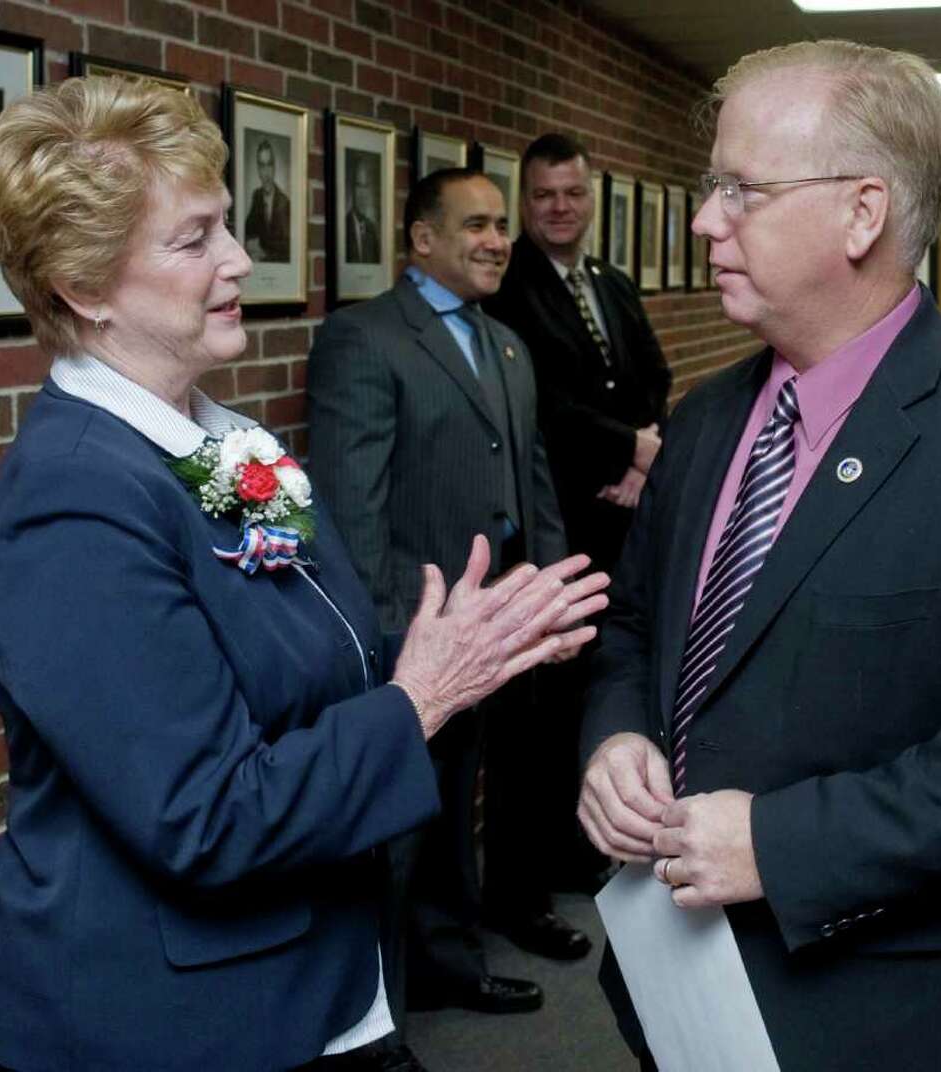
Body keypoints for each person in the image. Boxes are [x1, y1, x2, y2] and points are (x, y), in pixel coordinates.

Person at [0, 77, 607, 1072]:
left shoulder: (223, 444)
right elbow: (206, 815)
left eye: (225, 226)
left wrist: (462, 648)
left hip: (321, 971)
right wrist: (423, 694)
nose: (239, 260)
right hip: (163, 1027)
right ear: (85, 289)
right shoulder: (74, 506)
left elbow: (326, 658)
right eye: (195, 239)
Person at [578, 39, 941, 1072]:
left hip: (882, 1009)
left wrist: (781, 846)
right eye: (710, 188)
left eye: (742, 191)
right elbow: (636, 632)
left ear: (863, 213)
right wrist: (613, 743)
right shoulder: (702, 423)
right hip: (680, 985)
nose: (704, 222)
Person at [308, 167, 595, 1071]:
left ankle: (448, 962)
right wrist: (397, 645)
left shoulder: (506, 343)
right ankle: (375, 1027)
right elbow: (354, 510)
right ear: (420, 239)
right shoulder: (365, 339)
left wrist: (544, 595)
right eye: (475, 224)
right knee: (396, 833)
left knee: (461, 797)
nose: (497, 239)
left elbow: (531, 480)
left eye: (501, 224)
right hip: (414, 638)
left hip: (496, 627)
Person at [485, 133, 670, 897]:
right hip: (555, 520)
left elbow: (651, 371)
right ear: (525, 202)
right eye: (543, 196)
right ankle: (547, 861)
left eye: (573, 194)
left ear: (591, 200)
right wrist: (629, 446)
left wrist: (639, 460)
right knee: (547, 703)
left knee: (607, 677)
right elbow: (543, 408)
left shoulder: (608, 280)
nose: (560, 208)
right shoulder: (509, 286)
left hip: (619, 513)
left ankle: (586, 838)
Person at [243, 137, 290, 262]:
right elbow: (246, 231)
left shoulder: (285, 202)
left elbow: (288, 250)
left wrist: (264, 253)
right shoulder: (257, 196)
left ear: (274, 167)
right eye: (262, 166)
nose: (266, 173)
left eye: (269, 165)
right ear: (258, 169)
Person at [345, 156, 381, 264]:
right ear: (352, 188)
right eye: (358, 185)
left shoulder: (371, 229)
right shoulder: (344, 227)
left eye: (366, 186)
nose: (362, 193)